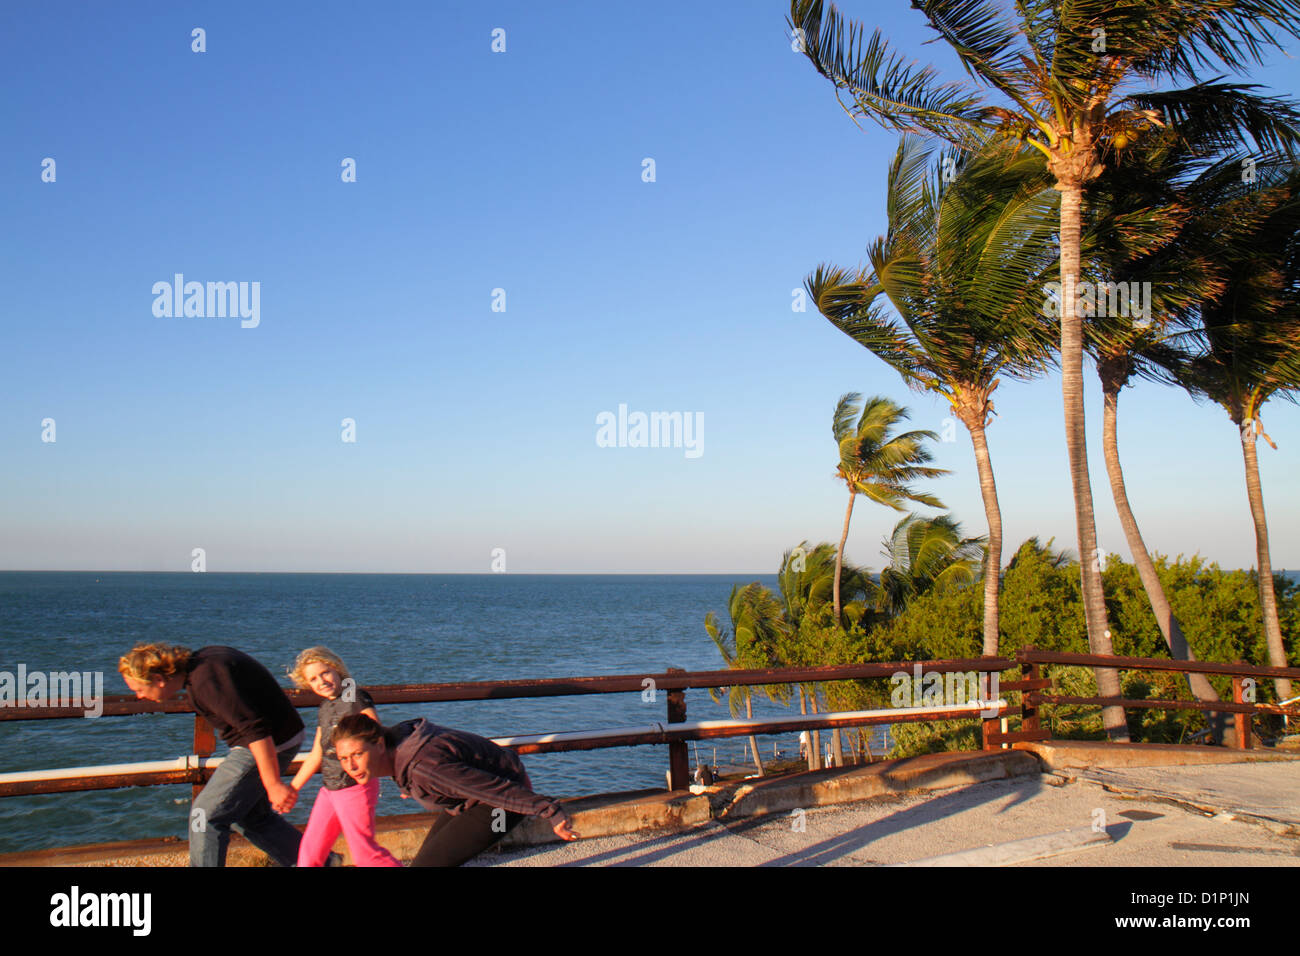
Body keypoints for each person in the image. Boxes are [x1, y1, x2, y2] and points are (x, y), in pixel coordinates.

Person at [118, 643, 304, 867]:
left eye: (139, 689)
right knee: (249, 817)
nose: (139, 696)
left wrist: (273, 783)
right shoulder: (203, 663)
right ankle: (320, 861)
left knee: (204, 816)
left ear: (158, 678)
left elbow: (255, 730)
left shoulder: (206, 680)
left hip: (268, 744)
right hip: (274, 738)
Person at [331, 713, 578, 867]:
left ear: (380, 744)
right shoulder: (404, 750)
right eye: (343, 758)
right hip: (470, 801)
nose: (351, 766)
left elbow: (495, 791)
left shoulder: (424, 768)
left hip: (504, 809)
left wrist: (550, 810)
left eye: (357, 755)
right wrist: (411, 786)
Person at [287, 646, 400, 867]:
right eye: (313, 679)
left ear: (337, 669)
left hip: (355, 786)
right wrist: (292, 788)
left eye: (325, 673)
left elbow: (378, 737)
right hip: (329, 789)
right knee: (310, 853)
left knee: (365, 854)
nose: (322, 681)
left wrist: (401, 778)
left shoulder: (354, 696)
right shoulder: (325, 708)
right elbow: (316, 754)